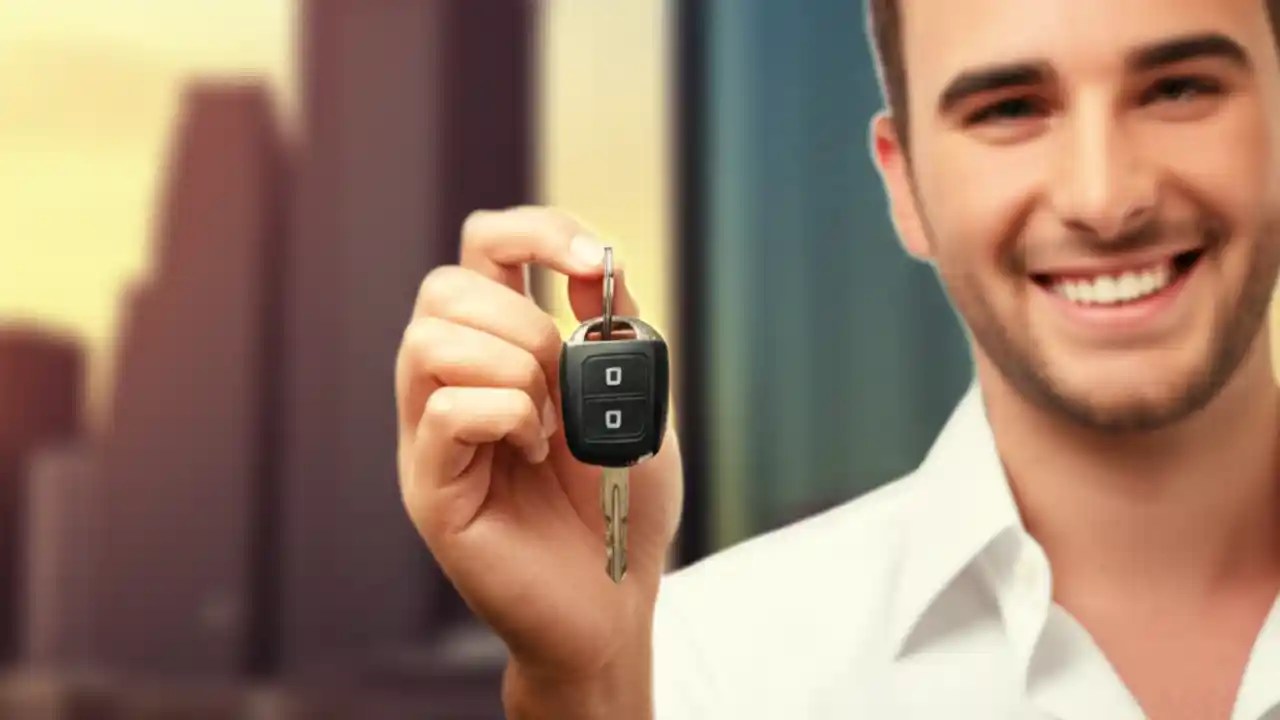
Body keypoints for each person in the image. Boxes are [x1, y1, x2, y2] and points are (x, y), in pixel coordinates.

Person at [393, 0, 1280, 716]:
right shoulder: (696, 671)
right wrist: (585, 691)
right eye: (1009, 109)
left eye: (1178, 89)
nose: (1105, 197)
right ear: (905, 188)